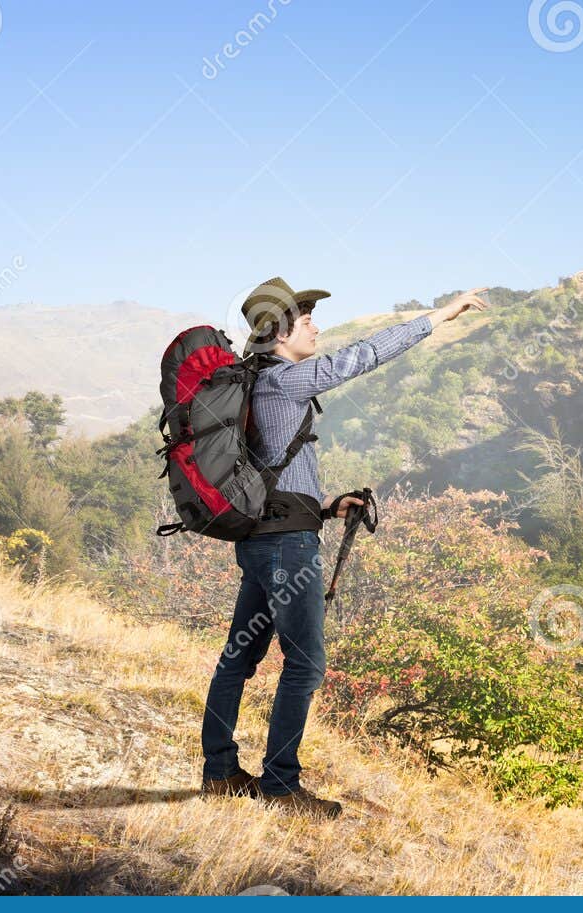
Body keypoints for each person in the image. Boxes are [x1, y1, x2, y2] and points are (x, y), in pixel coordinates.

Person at [199, 277, 489, 817]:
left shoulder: (255, 382)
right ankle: (280, 787)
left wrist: (327, 506)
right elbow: (365, 355)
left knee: (238, 659)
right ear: (279, 332)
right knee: (305, 664)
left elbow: (272, 473)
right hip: (286, 550)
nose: (316, 328)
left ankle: (219, 773)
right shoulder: (285, 379)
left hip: (262, 542)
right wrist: (442, 314)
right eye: (307, 320)